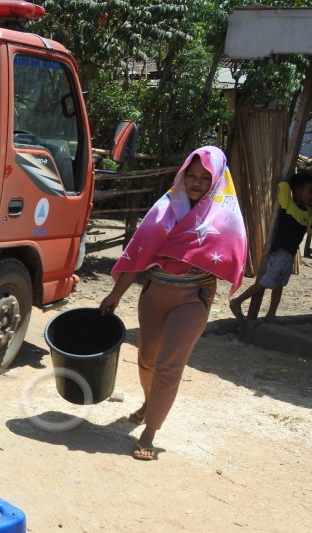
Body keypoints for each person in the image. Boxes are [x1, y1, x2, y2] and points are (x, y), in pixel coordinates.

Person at [100, 146, 247, 461]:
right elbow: (140, 255)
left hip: (194, 298)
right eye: (190, 175)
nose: (195, 183)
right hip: (155, 292)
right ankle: (148, 403)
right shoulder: (164, 209)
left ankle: (149, 432)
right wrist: (116, 294)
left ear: (217, 179)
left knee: (169, 365)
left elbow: (232, 254)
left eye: (204, 177)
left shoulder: (225, 216)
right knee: (147, 360)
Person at [230, 171, 312, 321]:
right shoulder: (288, 205)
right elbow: (284, 186)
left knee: (279, 284)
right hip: (280, 251)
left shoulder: (307, 213)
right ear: (298, 191)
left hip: (289, 253)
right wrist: (286, 179)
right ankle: (238, 301)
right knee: (268, 281)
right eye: (310, 190)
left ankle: (271, 314)